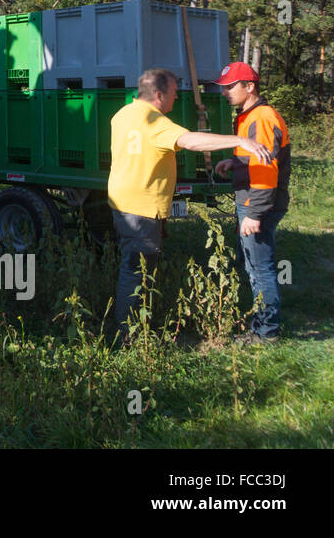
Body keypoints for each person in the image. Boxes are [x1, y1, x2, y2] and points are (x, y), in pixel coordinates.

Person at [106, 67, 272, 339]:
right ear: (158, 94)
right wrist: (240, 140)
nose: (176, 98)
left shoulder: (123, 114)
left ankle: (132, 327)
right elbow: (191, 141)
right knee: (136, 272)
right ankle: (128, 335)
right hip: (142, 208)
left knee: (133, 268)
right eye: (173, 93)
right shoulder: (154, 122)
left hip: (122, 203)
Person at [212, 62, 291, 343]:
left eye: (230, 86)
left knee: (260, 268)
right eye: (223, 87)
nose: (225, 92)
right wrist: (233, 162)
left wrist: (255, 213)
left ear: (250, 86)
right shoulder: (248, 116)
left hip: (260, 203)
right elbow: (255, 158)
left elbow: (267, 170)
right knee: (253, 264)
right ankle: (261, 324)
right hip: (253, 200)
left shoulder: (263, 117)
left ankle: (266, 333)